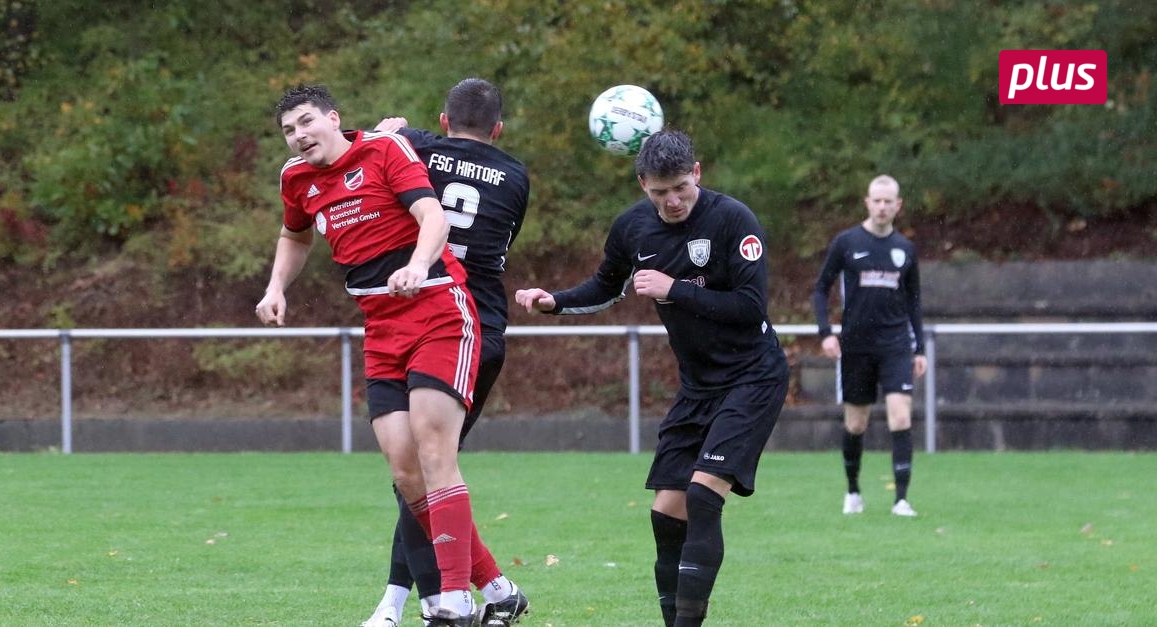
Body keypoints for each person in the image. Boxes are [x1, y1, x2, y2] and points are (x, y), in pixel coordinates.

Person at [256, 84, 509, 627]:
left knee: (434, 447)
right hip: (380, 328)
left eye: (306, 123)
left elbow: (433, 218)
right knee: (403, 467)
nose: (299, 136)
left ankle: (455, 603)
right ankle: (494, 583)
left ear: (333, 119)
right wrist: (277, 287)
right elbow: (294, 237)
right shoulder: (295, 179)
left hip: (439, 309)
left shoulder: (384, 150)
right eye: (288, 130)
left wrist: (419, 263)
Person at [515, 130, 789, 627]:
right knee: (667, 514)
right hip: (698, 386)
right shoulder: (633, 229)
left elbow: (751, 309)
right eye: (660, 191)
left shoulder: (733, 220)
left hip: (753, 375)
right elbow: (605, 286)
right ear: (643, 184)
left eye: (681, 187)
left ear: (698, 173)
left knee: (703, 496)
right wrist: (555, 300)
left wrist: (675, 290)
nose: (673, 200)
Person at [361, 78, 530, 627]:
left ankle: (430, 603)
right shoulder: (516, 176)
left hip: (444, 320)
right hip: (487, 327)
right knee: (418, 469)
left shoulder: (411, 147)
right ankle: (493, 590)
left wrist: (395, 132)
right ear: (498, 130)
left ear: (441, 117)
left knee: (430, 467)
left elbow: (380, 156)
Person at [810, 174, 928, 518]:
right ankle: (853, 491)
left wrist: (919, 348)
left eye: (888, 201)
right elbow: (821, 288)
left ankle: (901, 499)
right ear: (867, 202)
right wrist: (826, 332)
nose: (881, 206)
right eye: (876, 200)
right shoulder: (846, 242)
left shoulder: (905, 249)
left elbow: (914, 302)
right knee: (856, 424)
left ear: (898, 205)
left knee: (901, 415)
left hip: (895, 344)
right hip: (856, 346)